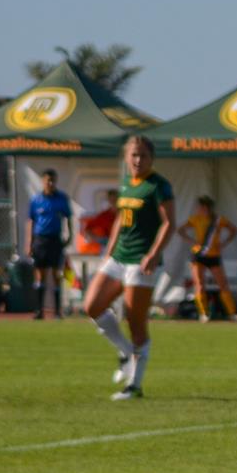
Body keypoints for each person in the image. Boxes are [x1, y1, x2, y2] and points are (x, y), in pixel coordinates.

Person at [83, 135, 174, 400]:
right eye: (134, 155)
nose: (138, 160)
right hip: (119, 257)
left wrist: (154, 253)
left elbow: (170, 223)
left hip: (142, 261)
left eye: (143, 155)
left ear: (151, 158)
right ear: (126, 157)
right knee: (92, 306)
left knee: (135, 322)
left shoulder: (159, 186)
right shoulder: (126, 184)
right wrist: (109, 252)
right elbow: (121, 220)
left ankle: (134, 386)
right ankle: (125, 353)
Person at [182, 195, 237, 322]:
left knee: (223, 284)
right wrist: (192, 241)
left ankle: (232, 313)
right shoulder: (195, 219)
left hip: (214, 255)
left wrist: (224, 243)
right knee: (199, 284)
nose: (199, 209)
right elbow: (181, 230)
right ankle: (203, 314)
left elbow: (234, 230)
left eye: (202, 207)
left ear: (207, 208)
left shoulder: (218, 220)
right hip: (198, 255)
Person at [27, 169, 74, 319]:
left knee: (56, 275)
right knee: (40, 276)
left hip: (55, 240)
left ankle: (57, 311)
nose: (51, 183)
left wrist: (70, 235)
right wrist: (30, 243)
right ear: (43, 181)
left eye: (53, 180)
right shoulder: (36, 200)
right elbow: (31, 222)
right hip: (40, 240)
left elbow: (68, 218)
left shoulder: (61, 199)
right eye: (48, 180)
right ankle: (39, 310)